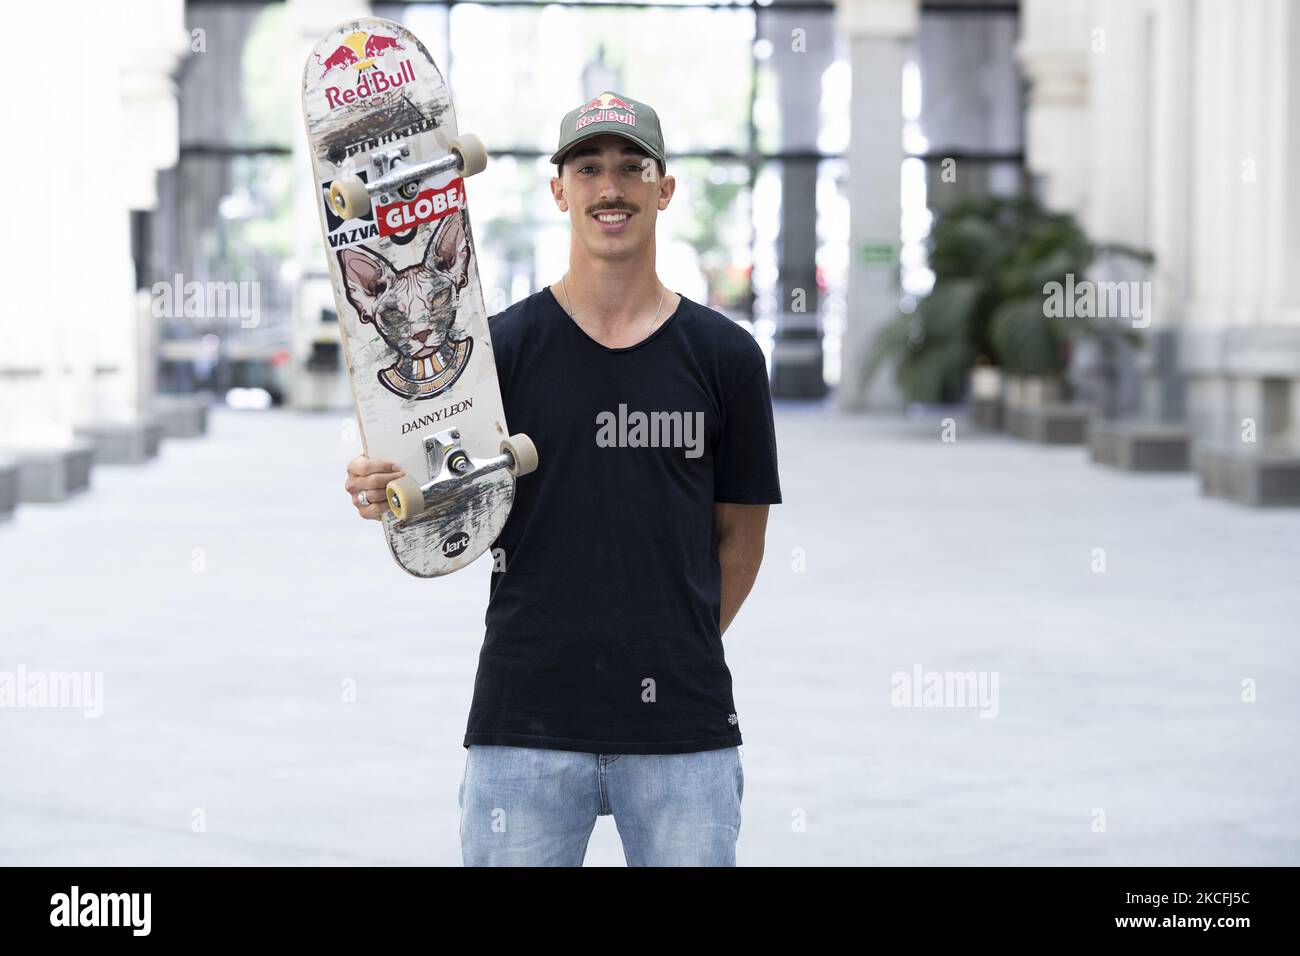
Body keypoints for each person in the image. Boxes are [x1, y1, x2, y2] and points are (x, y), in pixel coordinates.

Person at [344, 92, 782, 866]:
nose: (609, 186)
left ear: (664, 188)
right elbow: (439, 498)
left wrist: (670, 645)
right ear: (559, 191)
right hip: (524, 726)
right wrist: (384, 486)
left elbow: (741, 541)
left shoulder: (726, 358)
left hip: (683, 732)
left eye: (630, 167)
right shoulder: (496, 353)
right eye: (587, 168)